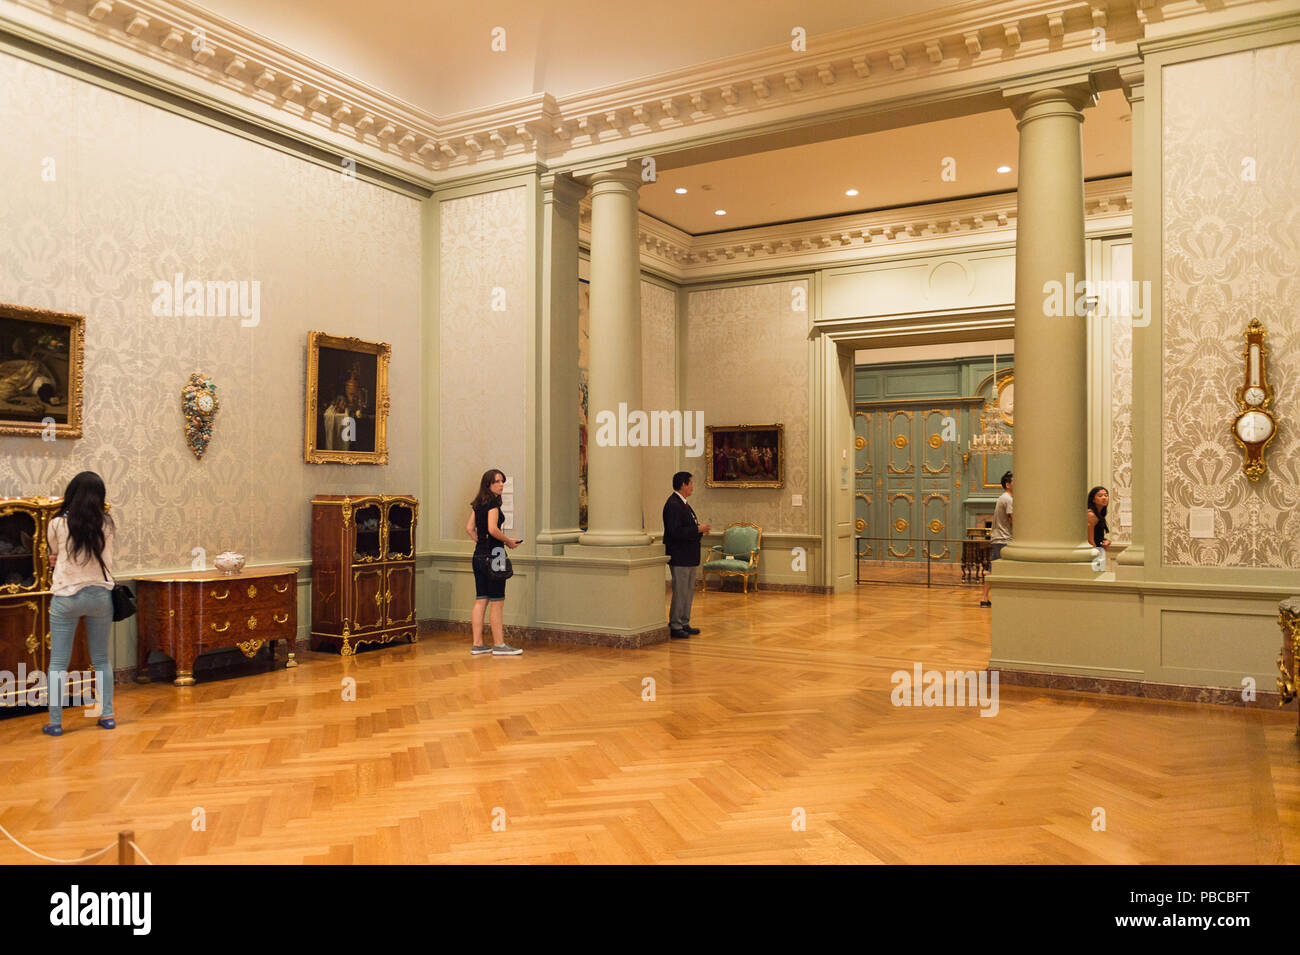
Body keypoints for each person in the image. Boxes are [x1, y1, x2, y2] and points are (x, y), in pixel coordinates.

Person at [43, 471, 116, 736]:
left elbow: (53, 555)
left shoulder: (57, 524)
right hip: (100, 596)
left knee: (58, 662)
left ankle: (55, 722)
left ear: (71, 493)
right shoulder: (107, 524)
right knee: (101, 660)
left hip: (66, 596)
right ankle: (107, 715)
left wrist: (59, 560)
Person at [466, 469, 523, 656]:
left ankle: (478, 644)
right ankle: (499, 645)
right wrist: (507, 541)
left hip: (478, 555)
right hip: (496, 554)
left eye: (502, 481)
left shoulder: (478, 504)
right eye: (497, 481)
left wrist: (481, 544)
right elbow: (492, 528)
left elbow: (469, 528)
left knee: (481, 599)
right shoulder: (492, 503)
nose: (501, 485)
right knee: (497, 601)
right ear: (488, 484)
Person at [663, 471, 709, 639]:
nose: (692, 487)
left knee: (688, 591)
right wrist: (698, 529)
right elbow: (675, 532)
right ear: (683, 484)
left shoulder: (684, 504)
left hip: (689, 555)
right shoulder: (673, 504)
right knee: (680, 591)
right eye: (690, 483)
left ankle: (684, 622)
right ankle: (675, 625)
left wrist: (699, 530)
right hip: (680, 556)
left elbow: (688, 528)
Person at [981, 471, 1012, 608]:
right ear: (1008, 484)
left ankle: (985, 598)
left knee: (992, 569)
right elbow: (1013, 520)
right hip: (1003, 539)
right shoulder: (1008, 499)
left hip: (1000, 538)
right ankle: (985, 597)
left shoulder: (1004, 498)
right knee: (995, 569)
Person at [1087, 486, 1112, 551]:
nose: (1104, 498)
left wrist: (1107, 541)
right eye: (1100, 496)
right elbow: (1090, 540)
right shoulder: (1091, 514)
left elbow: (1097, 535)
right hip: (1093, 551)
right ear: (1093, 499)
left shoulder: (1099, 514)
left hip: (1098, 549)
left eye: (1106, 495)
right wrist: (1096, 554)